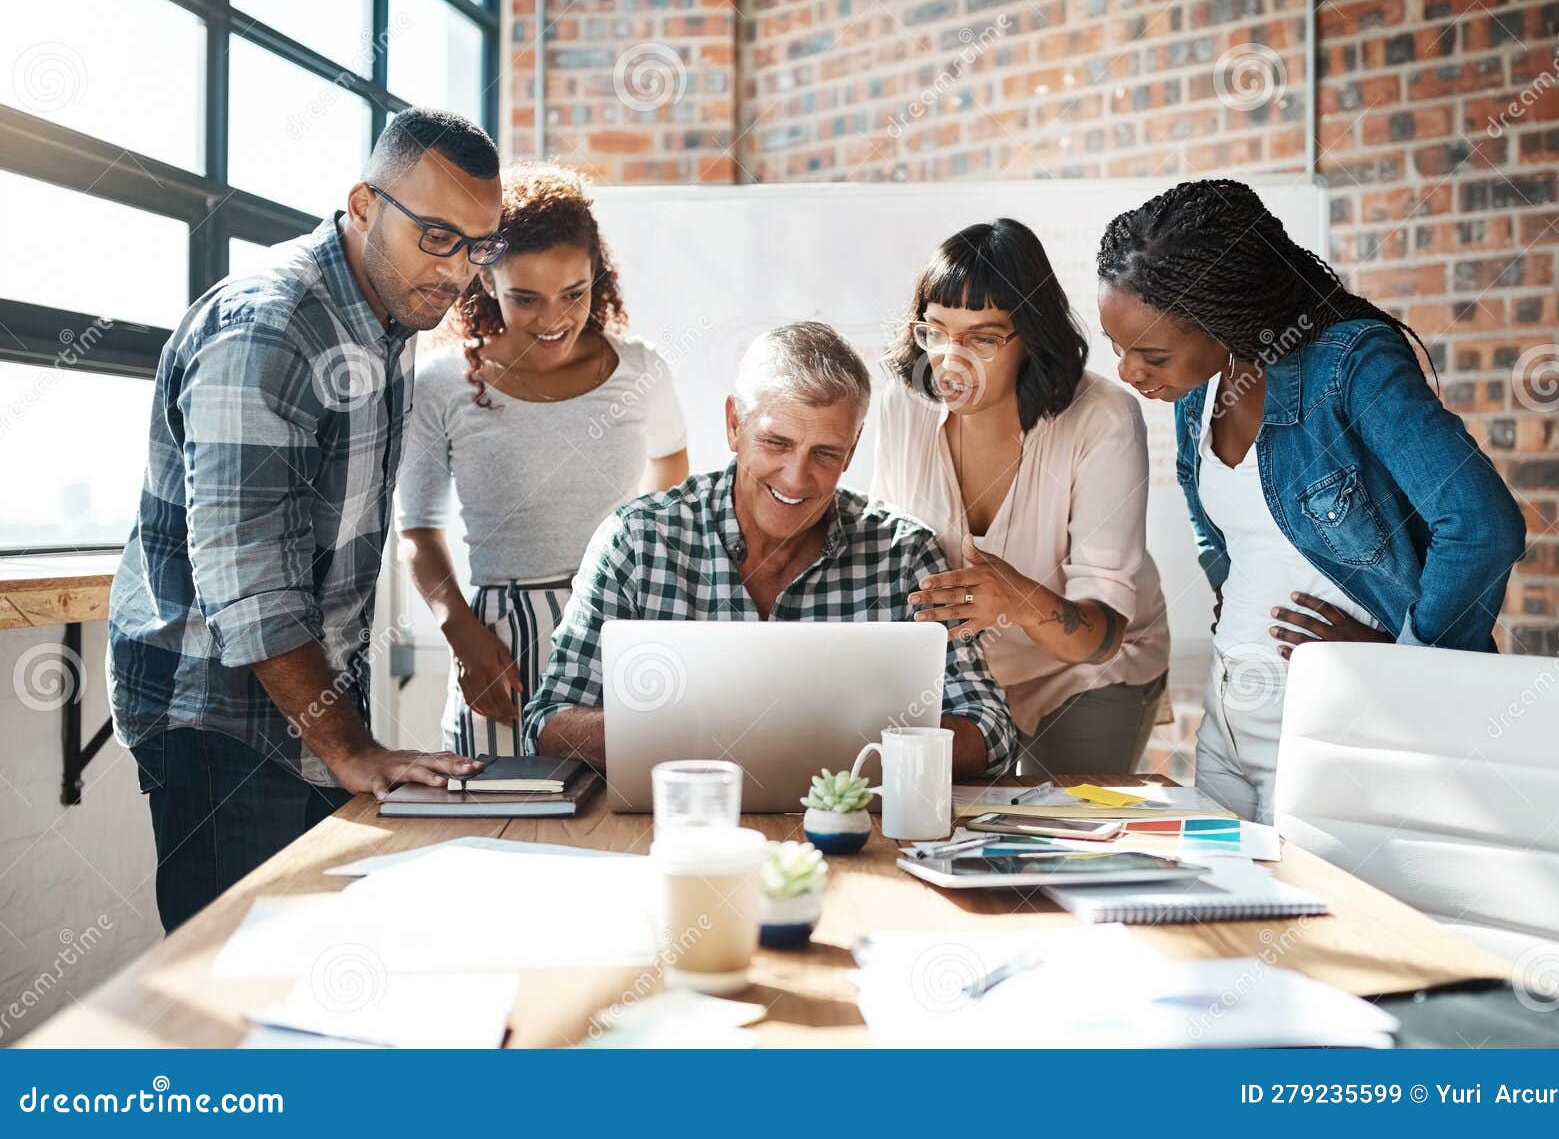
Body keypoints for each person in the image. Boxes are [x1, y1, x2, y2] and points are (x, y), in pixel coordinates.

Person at [107, 108, 504, 932]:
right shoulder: (272, 325)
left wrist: (346, 738)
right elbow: (247, 578)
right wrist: (354, 749)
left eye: (478, 244)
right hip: (214, 717)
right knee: (233, 986)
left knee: (310, 969)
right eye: (437, 234)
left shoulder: (394, 308)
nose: (459, 269)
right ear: (363, 205)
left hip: (300, 705)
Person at [1097, 178, 1526, 823]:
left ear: (1224, 316)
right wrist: (1233, 601)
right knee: (1222, 911)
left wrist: (1411, 661)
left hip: (1343, 734)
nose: (1129, 373)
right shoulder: (1196, 390)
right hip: (1227, 731)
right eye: (1119, 350)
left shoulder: (1351, 365)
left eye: (1150, 354)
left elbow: (1481, 523)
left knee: (1320, 919)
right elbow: (1214, 523)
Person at [524, 321, 1017, 778]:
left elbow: (991, 728)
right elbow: (548, 726)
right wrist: (702, 735)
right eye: (776, 443)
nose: (796, 478)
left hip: (855, 838)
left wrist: (852, 744)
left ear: (851, 448)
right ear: (735, 424)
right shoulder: (637, 540)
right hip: (676, 829)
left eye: (825, 453)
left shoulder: (904, 556)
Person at [398, 163, 689, 758]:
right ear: (487, 285)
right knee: (498, 830)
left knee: (619, 827)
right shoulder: (441, 383)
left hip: (621, 632)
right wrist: (462, 635)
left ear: (595, 277)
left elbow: (672, 482)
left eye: (573, 294)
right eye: (524, 299)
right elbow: (418, 530)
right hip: (499, 646)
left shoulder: (641, 371)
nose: (553, 319)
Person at [873, 219, 1171, 777]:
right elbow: (887, 560)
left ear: (1030, 339)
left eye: (982, 338)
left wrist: (1016, 598)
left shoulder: (1102, 418)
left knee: (1066, 832)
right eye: (936, 332)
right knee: (943, 823)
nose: (949, 361)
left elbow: (1102, 636)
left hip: (1085, 670)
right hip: (962, 675)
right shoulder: (903, 404)